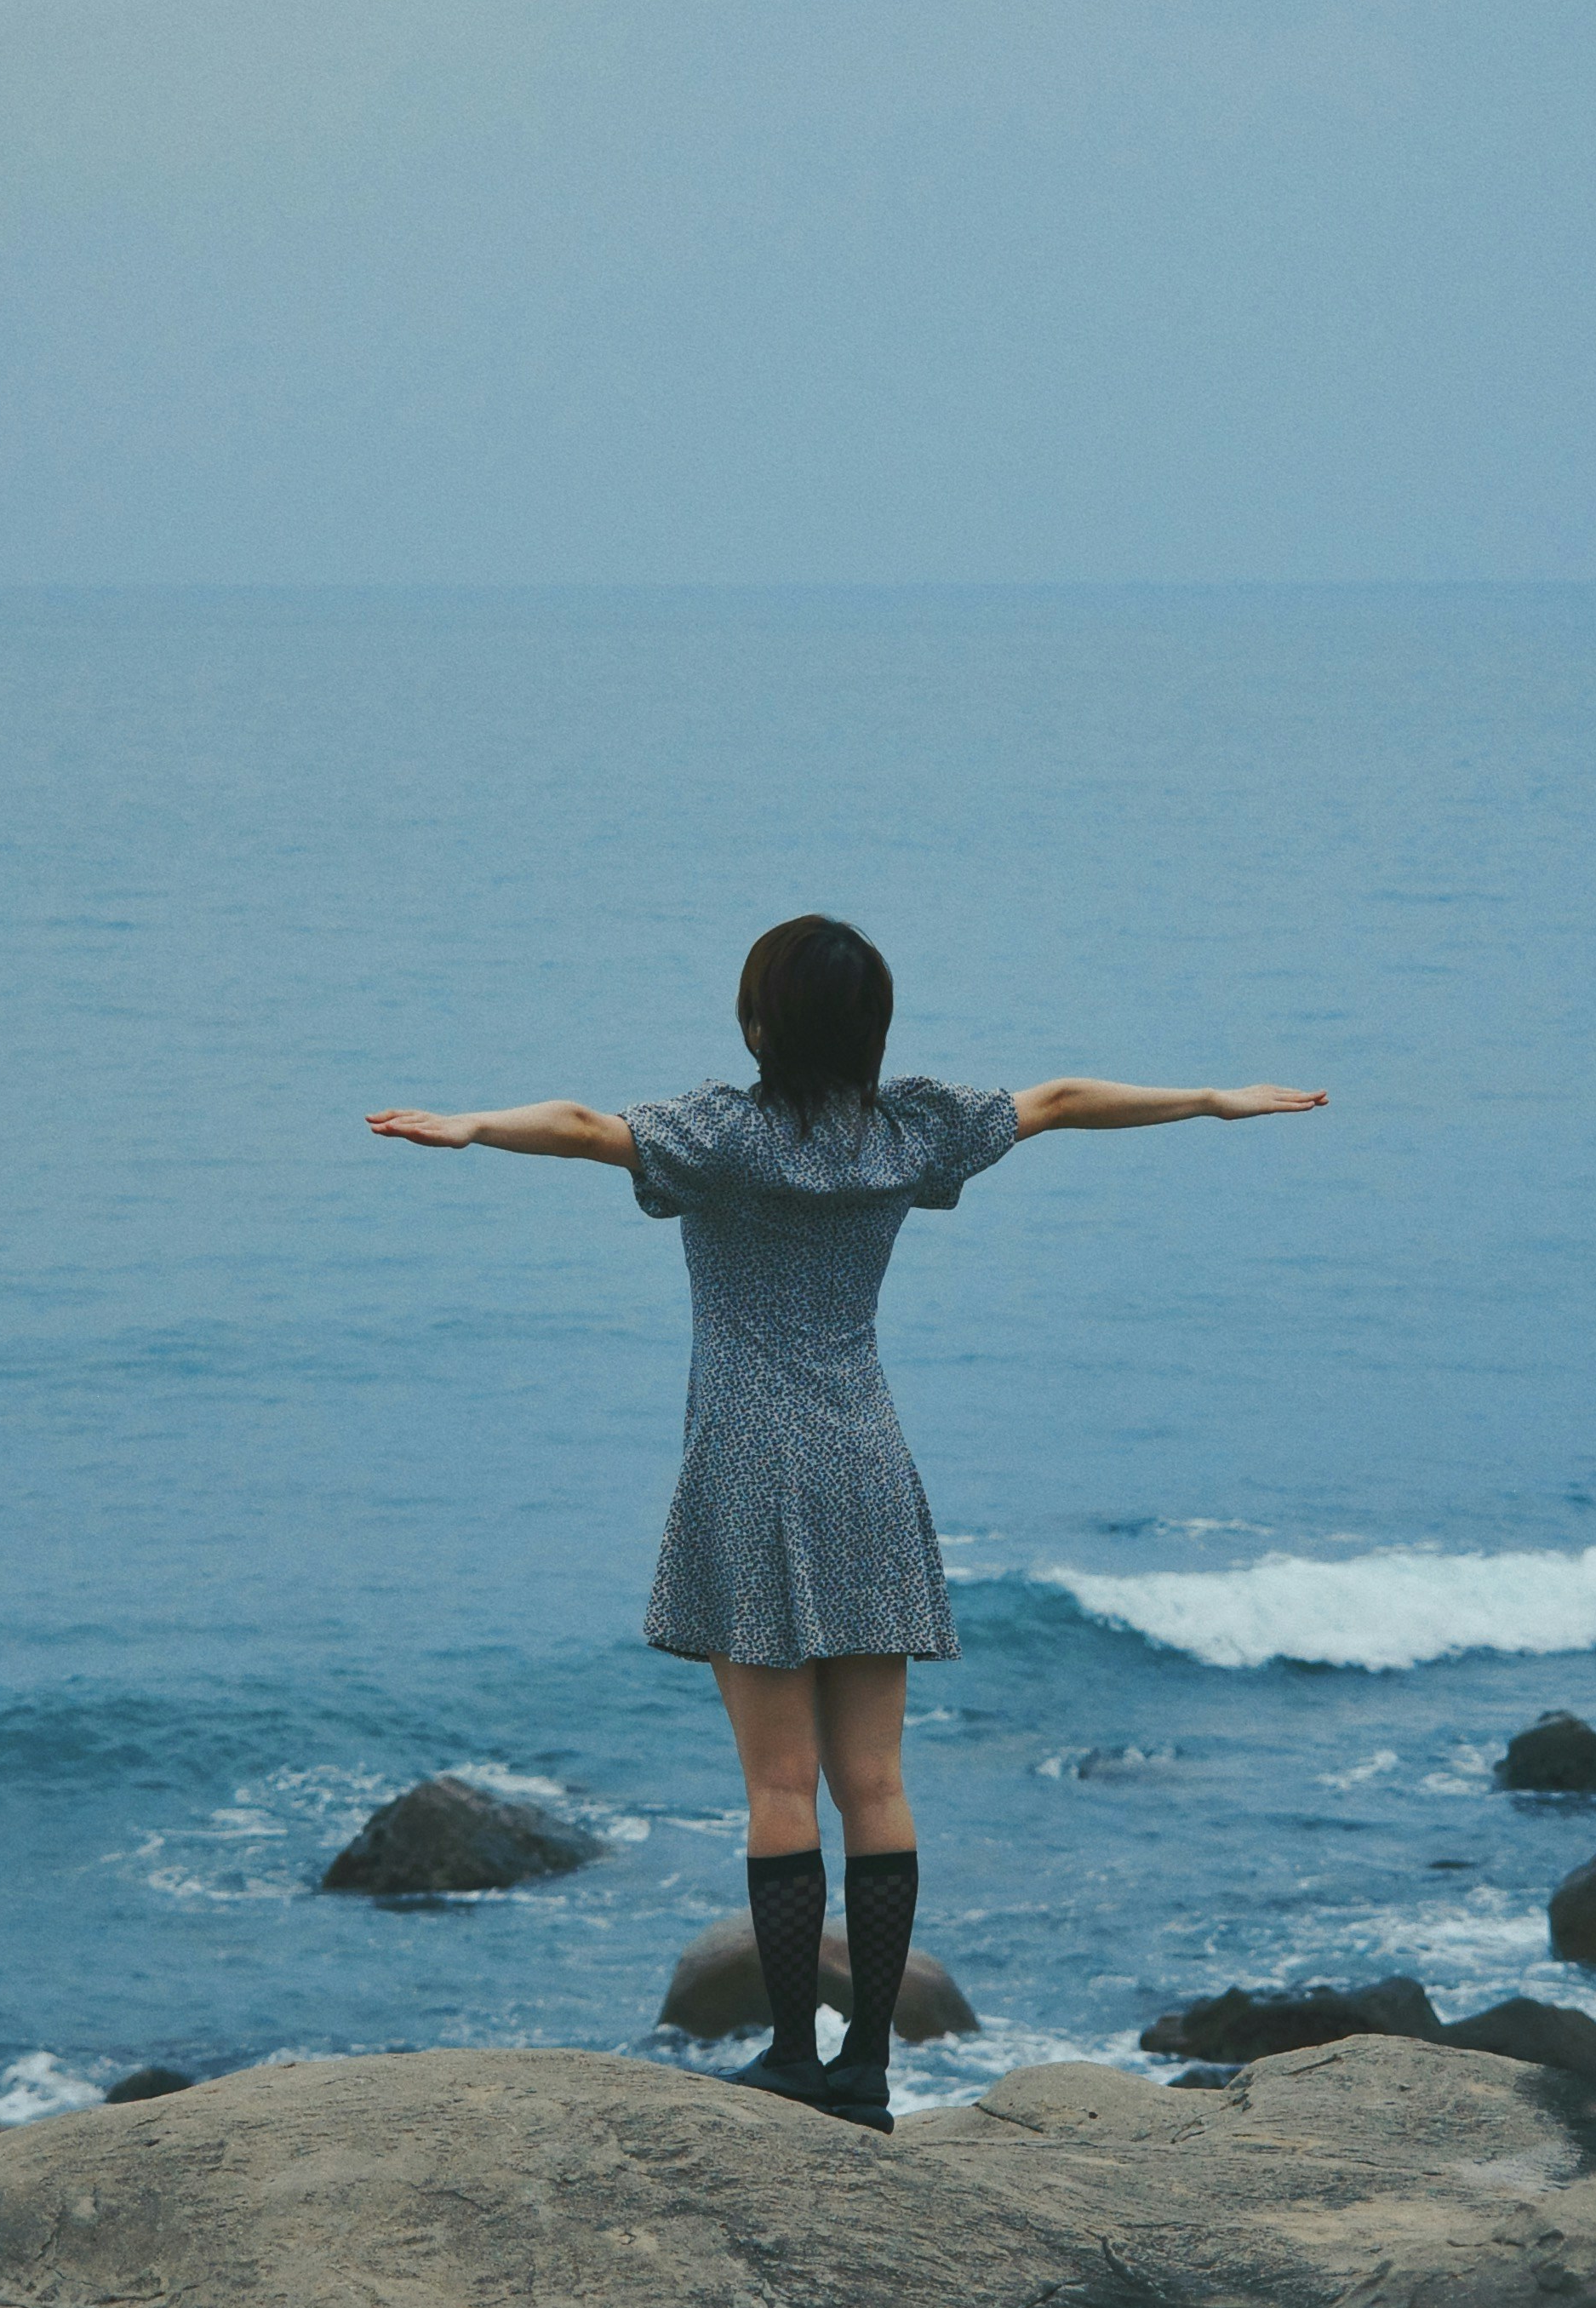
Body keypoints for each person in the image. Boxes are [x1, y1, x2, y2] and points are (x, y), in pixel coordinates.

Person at [369, 914, 1325, 2134]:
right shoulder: (908, 1134)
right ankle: (868, 2064)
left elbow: (574, 1123)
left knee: (779, 1782)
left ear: (758, 1022)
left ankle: (788, 2054)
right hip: (867, 1459)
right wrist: (1212, 1100)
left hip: (745, 1467)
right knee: (875, 1781)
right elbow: (1068, 1097)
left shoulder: (720, 1138)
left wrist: (466, 1128)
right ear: (874, 1028)